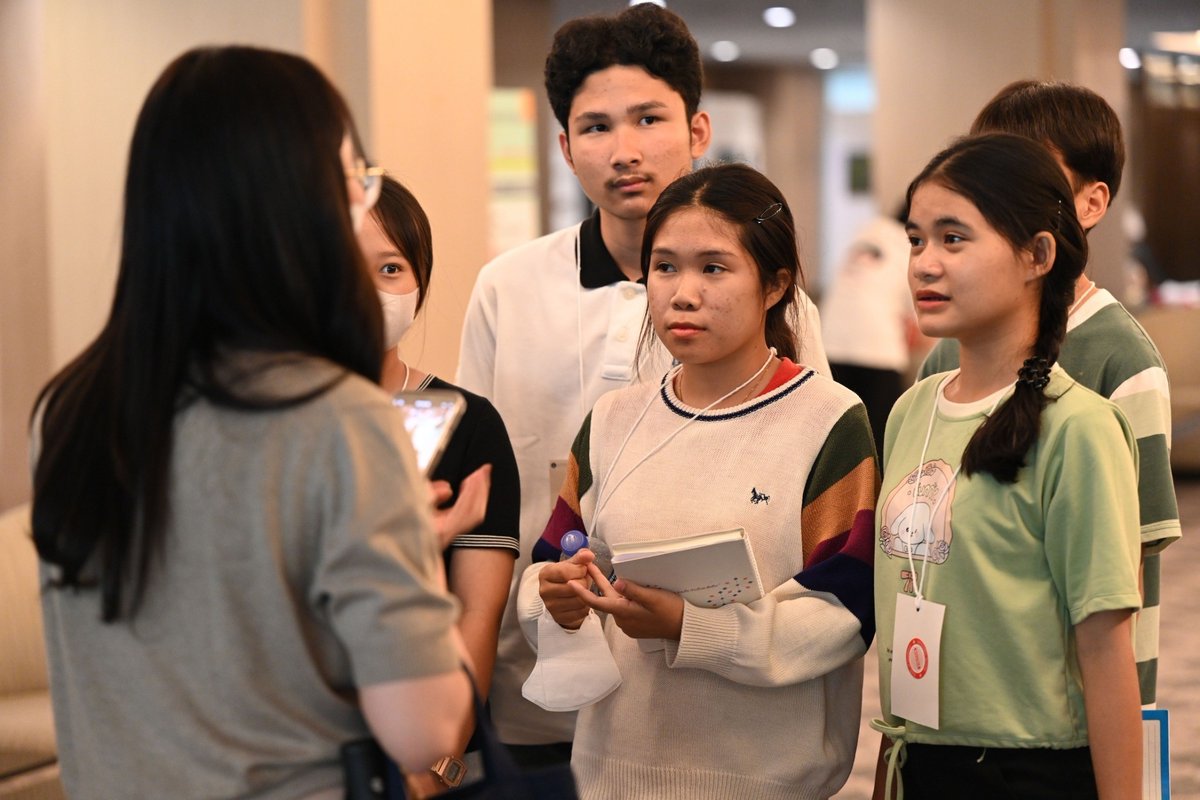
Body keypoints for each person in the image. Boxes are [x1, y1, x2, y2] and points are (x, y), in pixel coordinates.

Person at [30, 46, 474, 800]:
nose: (361, 199)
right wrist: (413, 557)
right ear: (297, 209)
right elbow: (425, 730)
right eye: (353, 178)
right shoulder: (342, 421)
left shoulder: (72, 410)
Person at [455, 2, 829, 763]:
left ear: (698, 130)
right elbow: (479, 490)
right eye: (596, 127)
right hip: (537, 681)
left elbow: (802, 478)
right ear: (565, 148)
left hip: (705, 690)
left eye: (649, 119)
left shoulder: (776, 304)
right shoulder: (508, 288)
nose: (624, 150)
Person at [519, 164, 877, 799]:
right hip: (609, 774)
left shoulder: (827, 420)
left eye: (714, 268)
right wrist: (554, 598)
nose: (683, 294)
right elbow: (551, 562)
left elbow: (844, 612)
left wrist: (691, 627)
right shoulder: (612, 420)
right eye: (665, 267)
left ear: (776, 284)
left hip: (768, 781)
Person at [874, 134, 1142, 799]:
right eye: (915, 240)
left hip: (1030, 770)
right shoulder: (913, 411)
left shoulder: (1078, 428)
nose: (924, 264)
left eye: (953, 239)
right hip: (920, 759)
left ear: (1037, 255)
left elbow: (1107, 652)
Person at [918, 80, 1181, 709]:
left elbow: (1129, 563)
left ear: (1091, 202)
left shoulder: (1121, 359)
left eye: (1027, 172)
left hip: (1073, 706)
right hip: (962, 688)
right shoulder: (945, 355)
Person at [358, 174, 520, 790]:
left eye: (391, 269)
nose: (369, 289)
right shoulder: (271, 424)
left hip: (424, 739)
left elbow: (477, 612)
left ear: (420, 283)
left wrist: (434, 768)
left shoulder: (469, 425)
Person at [821, 213, 919, 455]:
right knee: (880, 446)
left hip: (831, 345)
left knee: (836, 444)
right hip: (879, 352)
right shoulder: (909, 245)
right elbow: (919, 325)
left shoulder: (866, 230)